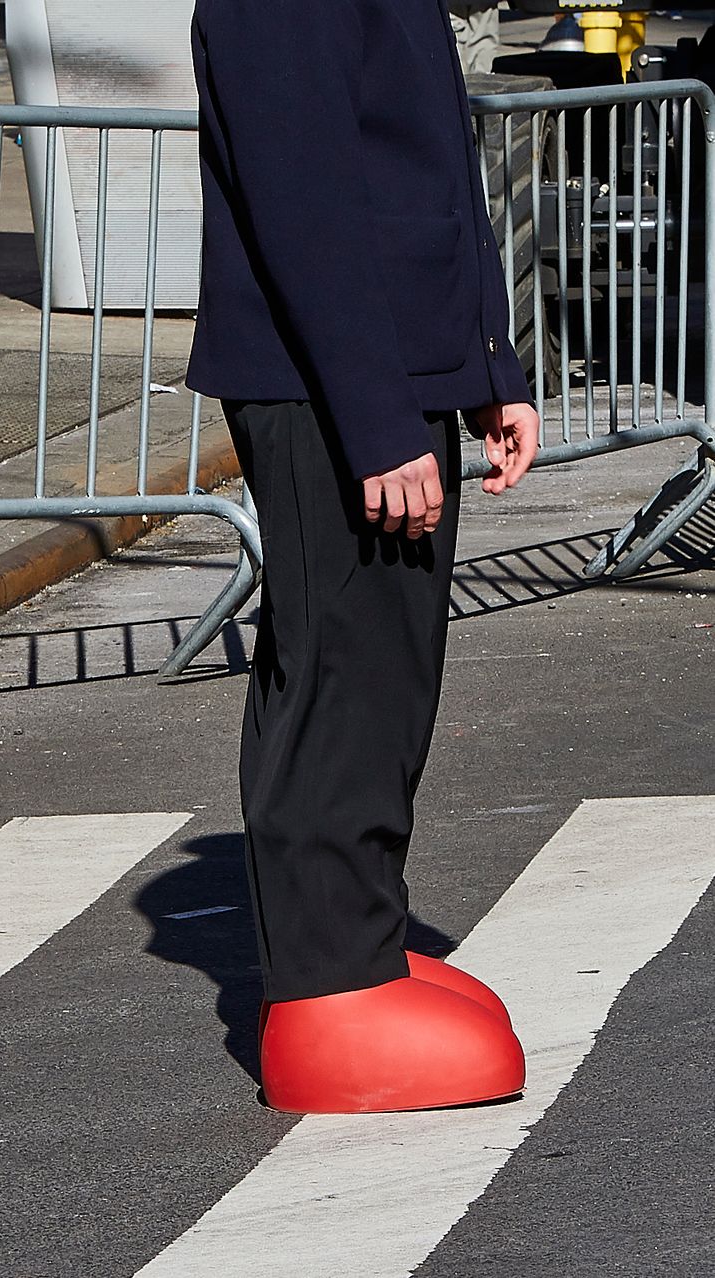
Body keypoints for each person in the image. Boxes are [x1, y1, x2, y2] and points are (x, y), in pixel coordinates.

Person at [189, 0, 540, 1113]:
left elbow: (428, 160)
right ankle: (330, 979)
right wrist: (381, 424)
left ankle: (355, 941)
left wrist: (487, 361)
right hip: (331, 386)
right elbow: (308, 202)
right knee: (344, 668)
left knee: (383, 666)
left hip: (383, 369)